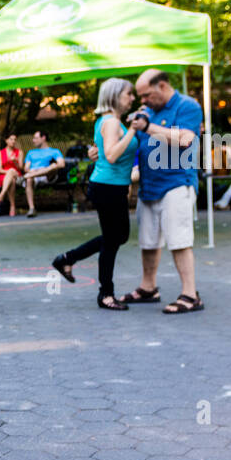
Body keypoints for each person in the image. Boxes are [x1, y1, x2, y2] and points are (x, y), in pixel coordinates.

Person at [116, 69, 205, 313]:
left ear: (162, 86)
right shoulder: (148, 112)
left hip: (177, 182)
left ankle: (190, 294)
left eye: (146, 95)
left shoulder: (187, 106)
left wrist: (149, 126)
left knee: (179, 240)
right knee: (148, 240)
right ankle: (148, 288)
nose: (142, 100)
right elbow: (136, 145)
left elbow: (186, 140)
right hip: (149, 185)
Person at [50, 78, 138, 310]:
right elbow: (110, 155)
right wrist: (132, 133)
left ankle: (67, 259)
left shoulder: (111, 121)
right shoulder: (110, 122)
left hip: (111, 185)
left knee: (118, 236)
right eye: (128, 94)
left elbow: (101, 152)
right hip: (107, 187)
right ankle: (105, 294)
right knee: (112, 239)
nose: (132, 98)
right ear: (115, 96)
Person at [13, 130, 65, 217]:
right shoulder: (31, 153)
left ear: (43, 138)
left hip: (48, 175)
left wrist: (46, 168)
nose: (33, 140)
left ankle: (25, 177)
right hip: (33, 175)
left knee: (53, 166)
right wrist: (32, 172)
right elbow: (26, 168)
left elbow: (61, 164)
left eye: (36, 138)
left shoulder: (54, 151)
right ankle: (32, 208)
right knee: (29, 179)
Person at [0, 133, 24, 215]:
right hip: (3, 177)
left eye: (15, 139)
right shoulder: (0, 153)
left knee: (12, 173)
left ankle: (1, 195)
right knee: (12, 180)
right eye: (11, 139)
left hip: (17, 174)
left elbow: (21, 168)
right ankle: (12, 206)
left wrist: (15, 162)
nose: (13, 141)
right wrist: (10, 172)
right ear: (6, 140)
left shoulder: (19, 152)